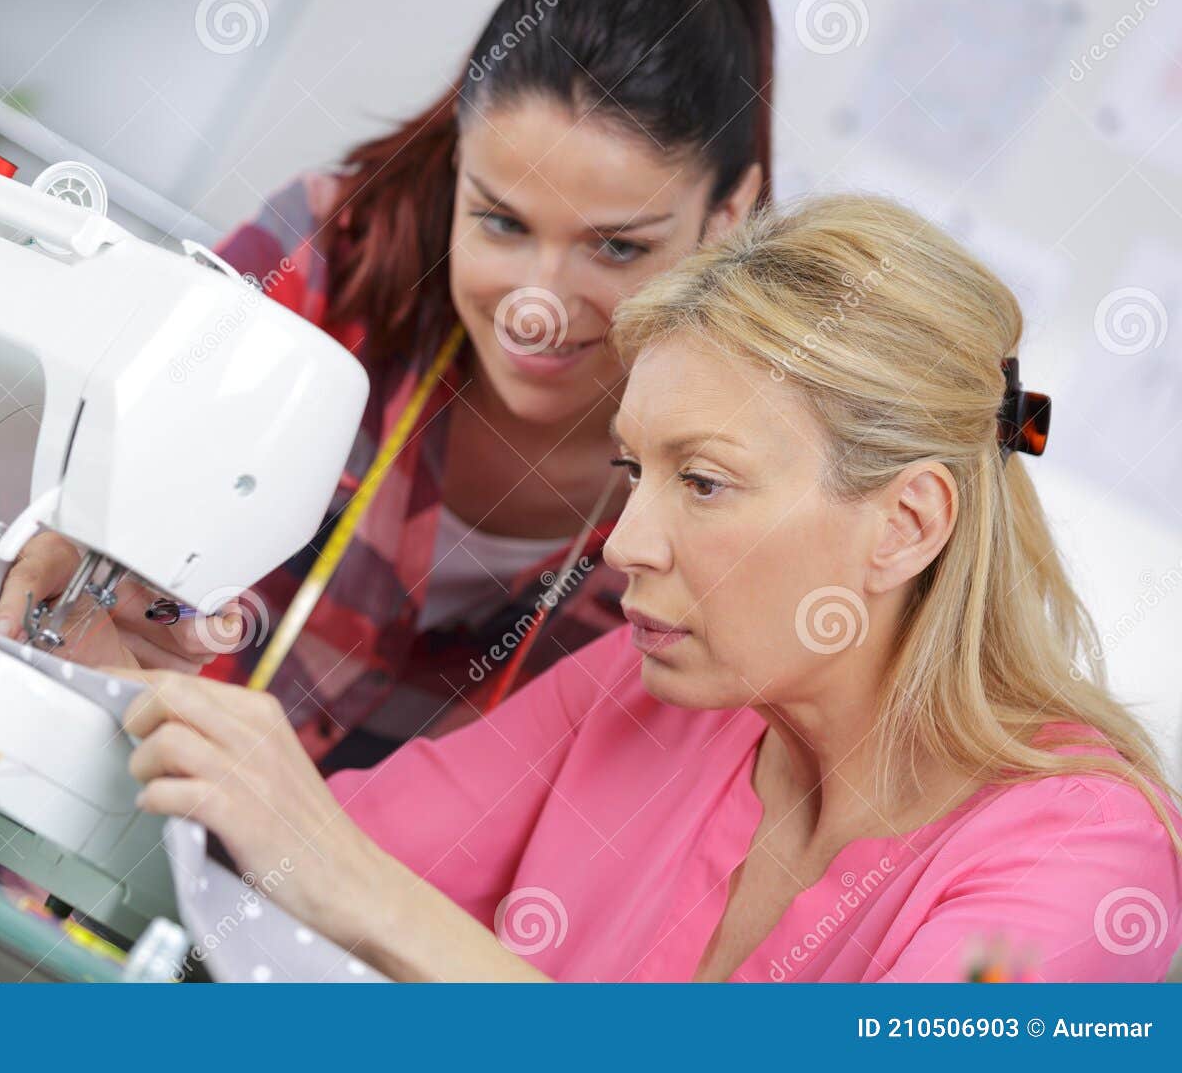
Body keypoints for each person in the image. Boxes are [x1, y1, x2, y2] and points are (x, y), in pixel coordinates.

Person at [117, 195, 1182, 982]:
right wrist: (114, 661)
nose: (626, 542)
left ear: (904, 525)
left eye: (704, 481)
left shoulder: (1083, 859)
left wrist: (364, 894)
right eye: (634, 469)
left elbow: (347, 873)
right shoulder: (651, 685)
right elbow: (278, 848)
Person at [0, 0, 773, 771]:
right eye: (499, 221)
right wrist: (56, 537)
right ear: (455, 164)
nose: (535, 309)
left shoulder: (744, 486)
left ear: (726, 218)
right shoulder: (326, 260)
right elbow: (106, 457)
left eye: (617, 247)